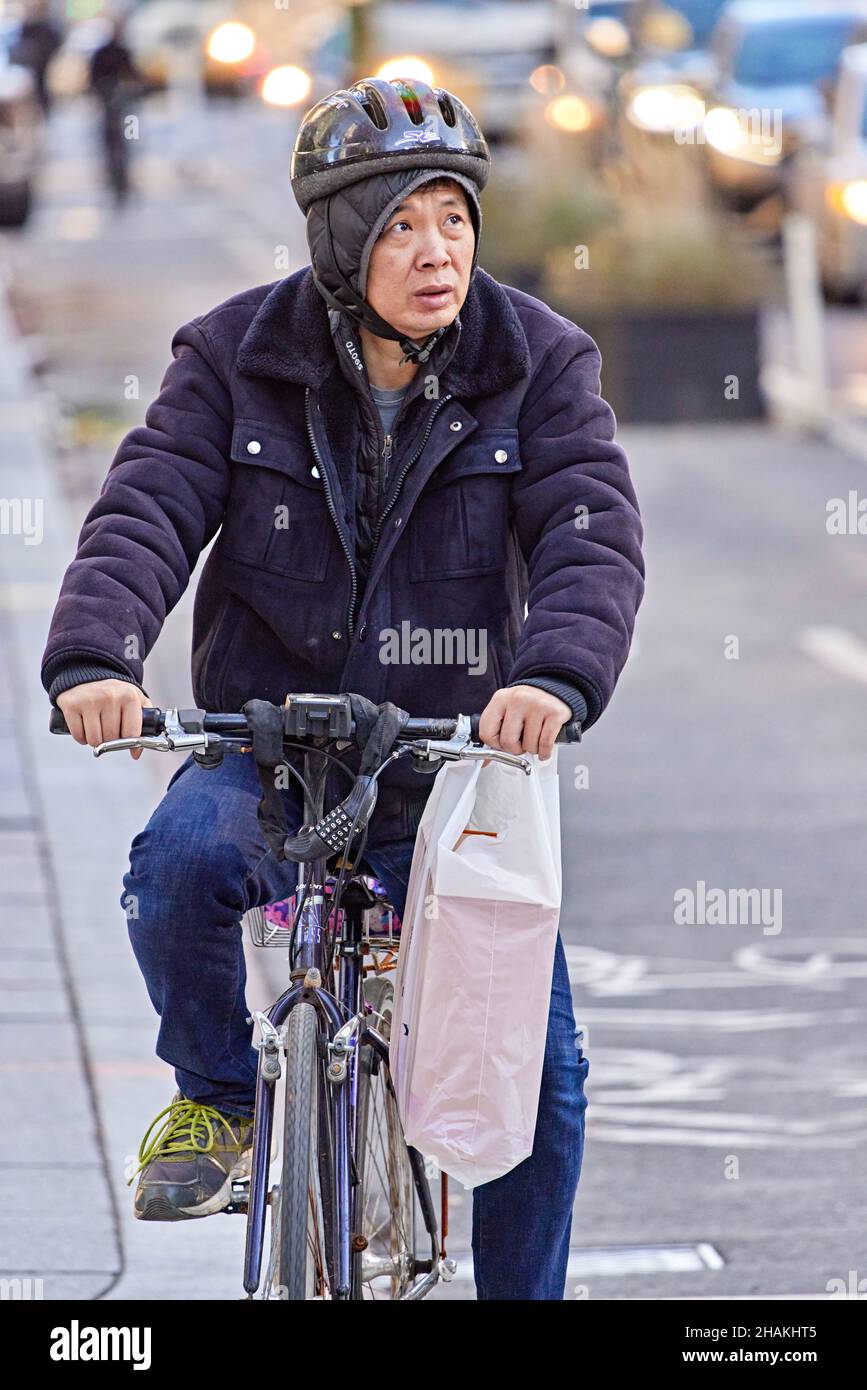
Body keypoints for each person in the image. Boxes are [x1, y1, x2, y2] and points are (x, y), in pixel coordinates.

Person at [40, 77, 645, 1299]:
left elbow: (591, 531)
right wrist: (97, 656)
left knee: (542, 1069)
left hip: (453, 761)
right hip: (272, 740)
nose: (438, 252)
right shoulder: (232, 357)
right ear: (338, 241)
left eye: (455, 219)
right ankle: (219, 1097)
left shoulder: (540, 361)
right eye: (402, 224)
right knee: (176, 872)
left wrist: (554, 678)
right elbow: (148, 506)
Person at [87, 13, 142, 205]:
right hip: (113, 110)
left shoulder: (121, 53)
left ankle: (124, 181)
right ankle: (117, 181)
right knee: (117, 145)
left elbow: (136, 80)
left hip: (125, 111)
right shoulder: (106, 53)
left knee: (129, 143)